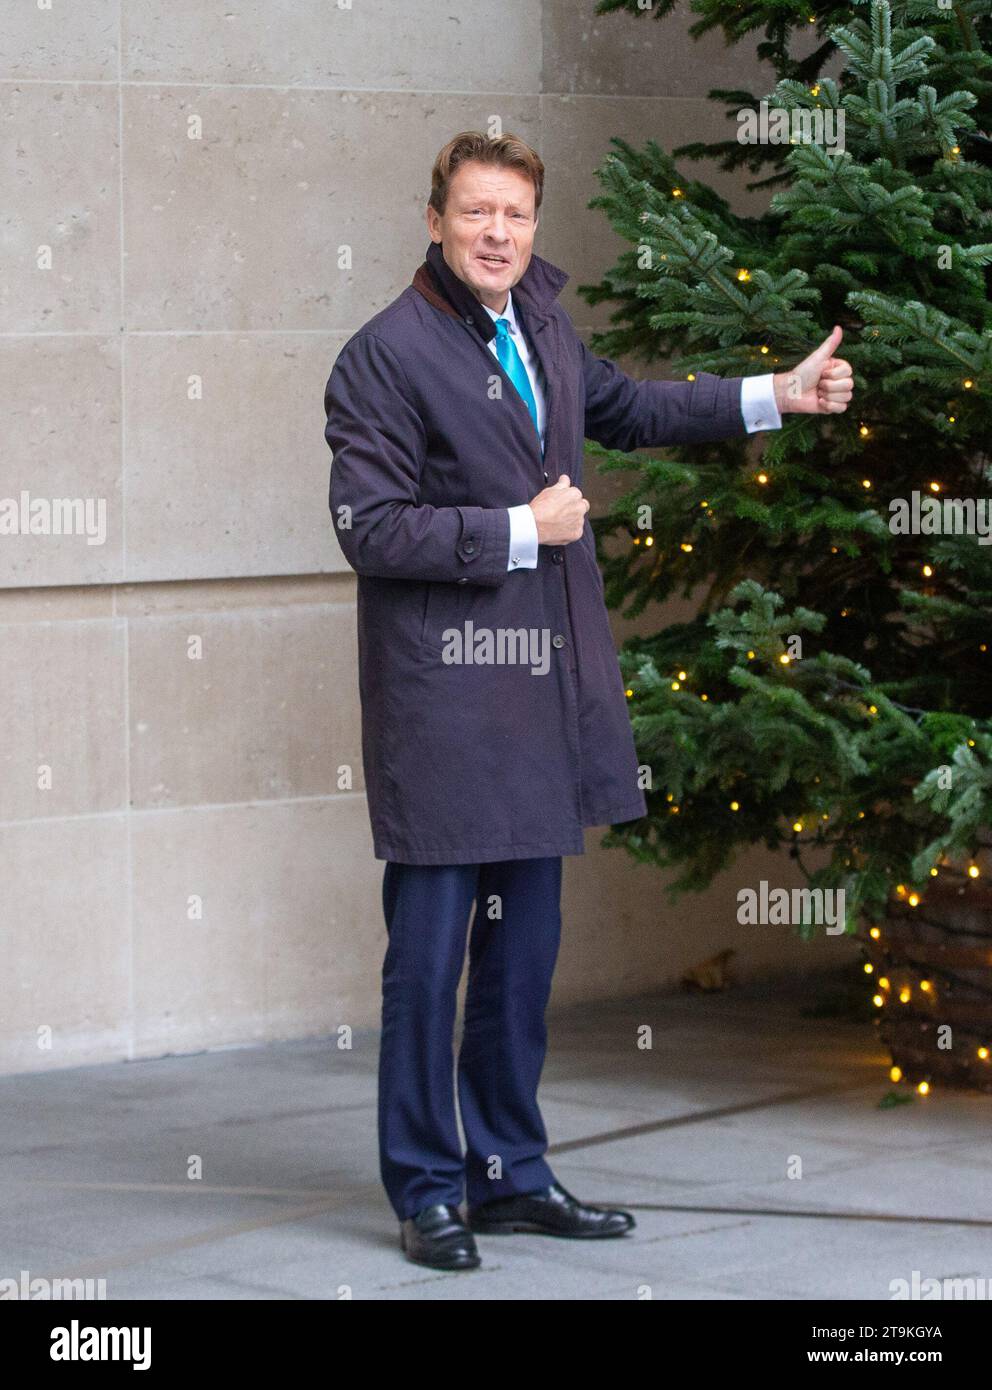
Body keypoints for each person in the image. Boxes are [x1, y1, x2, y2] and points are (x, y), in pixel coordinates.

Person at [322, 130, 854, 1271]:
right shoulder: (383, 355)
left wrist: (776, 394)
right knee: (428, 967)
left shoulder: (543, 329)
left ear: (533, 225)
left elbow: (635, 409)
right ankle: (427, 1190)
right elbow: (371, 529)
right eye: (476, 212)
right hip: (444, 710)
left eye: (514, 214)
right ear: (434, 220)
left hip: (539, 704)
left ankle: (509, 1176)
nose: (496, 233)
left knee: (520, 965)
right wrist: (523, 528)